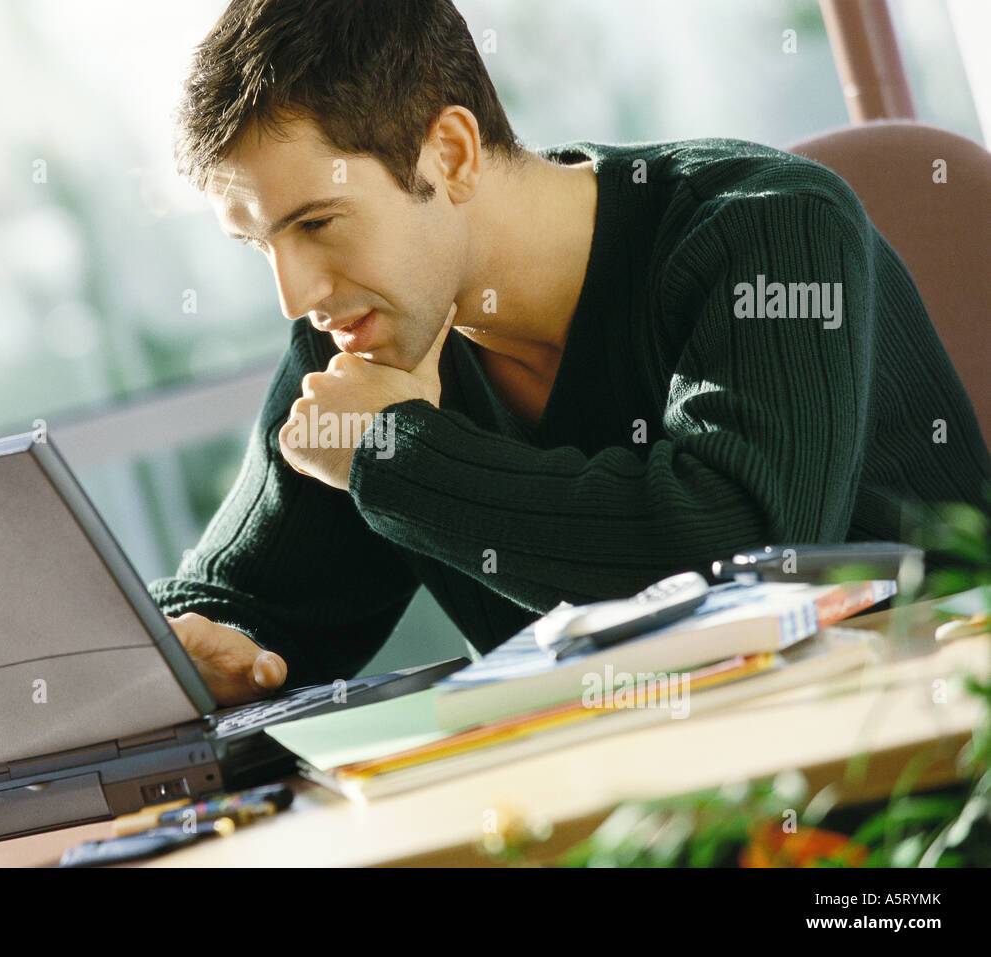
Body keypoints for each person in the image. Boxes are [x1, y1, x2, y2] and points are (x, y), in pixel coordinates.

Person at [148, 0, 991, 705]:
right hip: (635, 807)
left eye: (315, 224)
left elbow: (740, 554)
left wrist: (393, 451)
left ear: (451, 153)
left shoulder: (770, 229)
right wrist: (199, 653)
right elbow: (229, 609)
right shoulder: (362, 342)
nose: (296, 295)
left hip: (917, 774)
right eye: (259, 246)